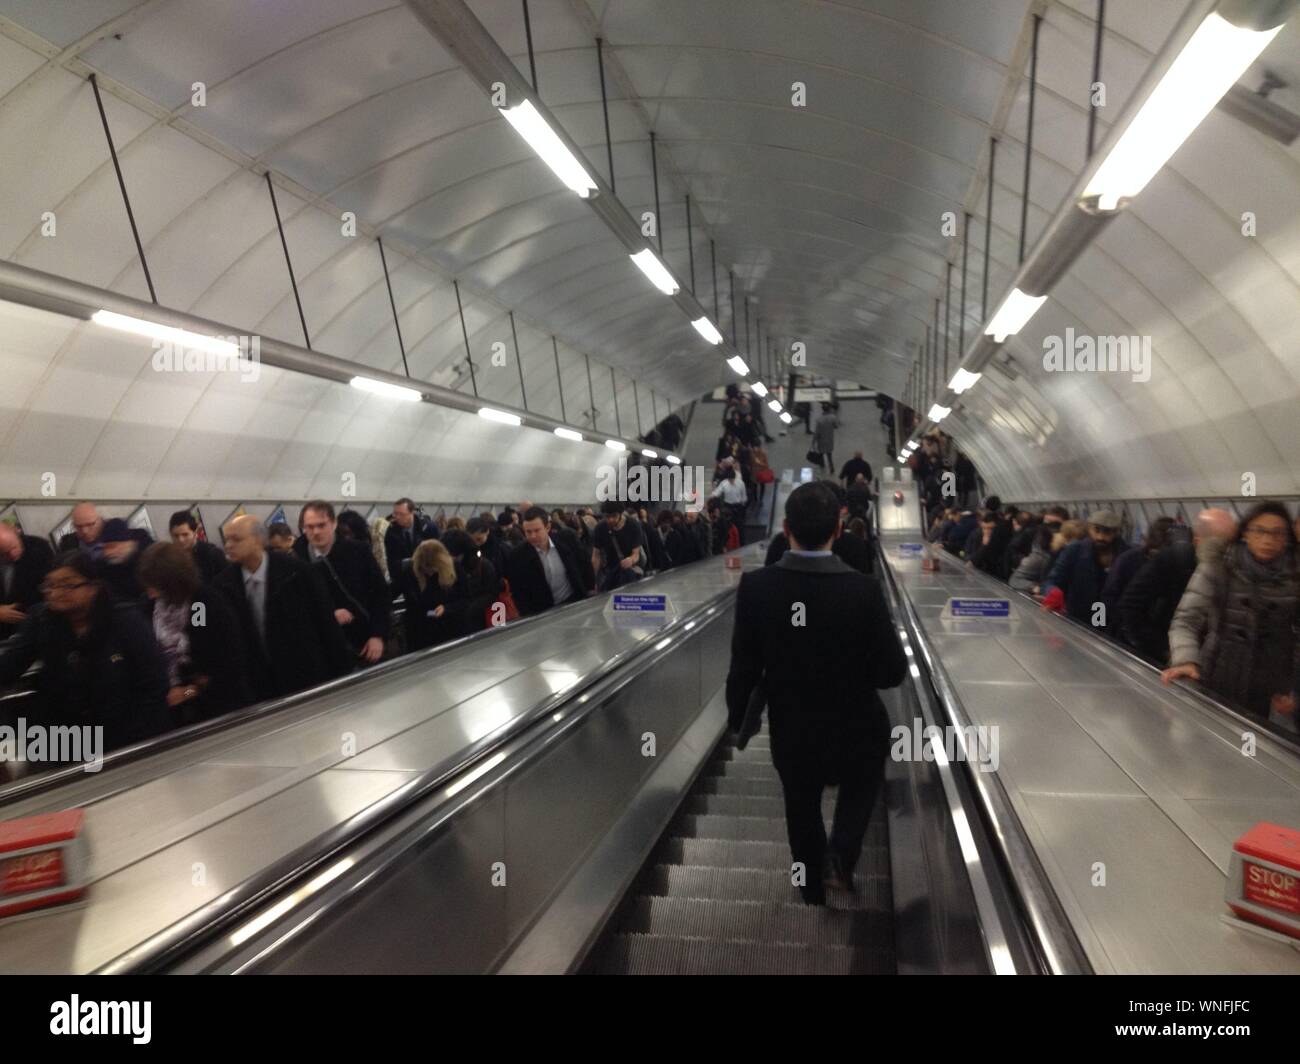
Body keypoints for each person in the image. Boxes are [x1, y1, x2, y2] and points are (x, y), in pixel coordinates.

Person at [725, 482, 906, 905]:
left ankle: (808, 886)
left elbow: (744, 666)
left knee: (800, 804)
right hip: (856, 725)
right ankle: (841, 855)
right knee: (863, 780)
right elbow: (892, 671)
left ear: (785, 527)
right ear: (839, 528)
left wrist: (739, 719)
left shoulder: (757, 587)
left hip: (793, 728)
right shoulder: (863, 591)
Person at [0, 551, 168, 754]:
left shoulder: (125, 620)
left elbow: (155, 681)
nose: (55, 593)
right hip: (68, 743)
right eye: (50, 586)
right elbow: (10, 665)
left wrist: (134, 739)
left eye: (67, 585)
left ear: (93, 587)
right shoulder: (42, 621)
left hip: (126, 740)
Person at [1164, 501, 1298, 727]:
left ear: (1286, 538)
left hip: (1270, 685)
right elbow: (1186, 620)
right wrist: (1186, 659)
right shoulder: (1219, 566)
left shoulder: (1295, 576)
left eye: (1278, 534)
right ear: (1245, 533)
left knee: (1259, 746)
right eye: (1260, 531)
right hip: (1216, 671)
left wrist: (1295, 687)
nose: (1268, 540)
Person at [213, 515, 353, 701]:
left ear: (258, 541)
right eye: (226, 539)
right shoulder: (223, 585)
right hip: (259, 687)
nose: (228, 545)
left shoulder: (298, 573)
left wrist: (343, 676)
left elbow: (326, 625)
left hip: (305, 678)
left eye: (236, 539)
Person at [137, 542, 251, 722]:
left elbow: (226, 665)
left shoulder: (202, 603)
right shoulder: (151, 607)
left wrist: (188, 692)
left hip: (217, 705)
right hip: (174, 709)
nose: (151, 593)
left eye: (155, 586)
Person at [1118, 509, 1235, 664]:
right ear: (1198, 540)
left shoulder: (1237, 568)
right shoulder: (1173, 560)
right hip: (1167, 653)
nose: (1228, 553)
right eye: (1220, 546)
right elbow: (1131, 604)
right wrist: (1161, 650)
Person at [294, 500, 391, 664]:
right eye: (310, 527)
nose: (316, 531)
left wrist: (378, 635)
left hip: (363, 641)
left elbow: (381, 593)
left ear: (333, 524)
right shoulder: (296, 560)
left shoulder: (358, 551)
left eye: (321, 525)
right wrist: (329, 614)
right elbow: (297, 606)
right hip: (324, 648)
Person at [1041, 510, 1127, 629]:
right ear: (1089, 529)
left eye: (1107, 532)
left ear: (1116, 532)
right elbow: (1052, 579)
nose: (1100, 537)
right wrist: (1053, 592)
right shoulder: (1075, 550)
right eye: (1096, 530)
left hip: (1111, 620)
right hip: (1076, 617)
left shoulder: (1126, 555)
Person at [506, 507, 594, 616]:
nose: (533, 536)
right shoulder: (517, 556)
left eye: (537, 530)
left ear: (547, 527)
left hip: (574, 602)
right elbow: (517, 591)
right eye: (528, 532)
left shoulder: (567, 540)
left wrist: (590, 589)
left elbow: (584, 563)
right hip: (542, 612)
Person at [1100, 517, 1176, 639]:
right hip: (1125, 632)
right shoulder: (1128, 560)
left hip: (1156, 634)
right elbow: (1109, 597)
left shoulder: (1176, 564)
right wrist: (1102, 627)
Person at [401, 540, 464, 650]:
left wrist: (447, 608)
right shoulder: (410, 572)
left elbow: (466, 598)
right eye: (426, 570)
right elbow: (412, 606)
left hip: (451, 628)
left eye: (433, 569)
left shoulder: (455, 568)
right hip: (422, 632)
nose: (430, 573)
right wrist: (430, 613)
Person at [441, 528, 502, 636]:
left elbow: (492, 593)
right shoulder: (444, 567)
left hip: (478, 621)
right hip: (453, 622)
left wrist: (469, 609)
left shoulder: (482, 566)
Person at [0, 521, 53, 641]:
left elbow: (47, 589)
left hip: (33, 625)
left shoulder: (39, 548)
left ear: (16, 533)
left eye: (14, 547)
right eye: (4, 554)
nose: (12, 555)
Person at [384, 498, 438, 590]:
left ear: (412, 512)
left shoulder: (428, 528)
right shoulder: (391, 532)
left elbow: (439, 553)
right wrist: (411, 561)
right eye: (395, 513)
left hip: (430, 579)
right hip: (406, 581)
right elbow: (392, 562)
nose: (397, 517)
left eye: (401, 514)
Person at [592, 502, 647, 591]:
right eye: (607, 516)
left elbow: (636, 553)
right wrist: (593, 580)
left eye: (614, 516)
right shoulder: (600, 528)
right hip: (611, 572)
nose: (610, 520)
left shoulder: (633, 525)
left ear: (621, 513)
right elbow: (596, 556)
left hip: (629, 571)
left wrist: (631, 560)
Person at [96, 518, 150, 609]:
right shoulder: (104, 569)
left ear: (128, 543)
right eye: (105, 548)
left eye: (112, 546)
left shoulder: (150, 563)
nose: (108, 553)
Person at [168, 509, 228, 583]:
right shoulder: (170, 559)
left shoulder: (212, 554)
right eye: (176, 536)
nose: (181, 540)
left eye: (185, 535)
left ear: (195, 532)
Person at [812, 403, 839, 473]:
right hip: (829, 439)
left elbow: (816, 432)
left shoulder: (819, 419)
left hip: (821, 440)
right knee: (829, 455)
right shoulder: (833, 417)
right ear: (829, 409)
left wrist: (813, 442)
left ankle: (822, 465)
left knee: (821, 454)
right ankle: (831, 467)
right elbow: (836, 426)